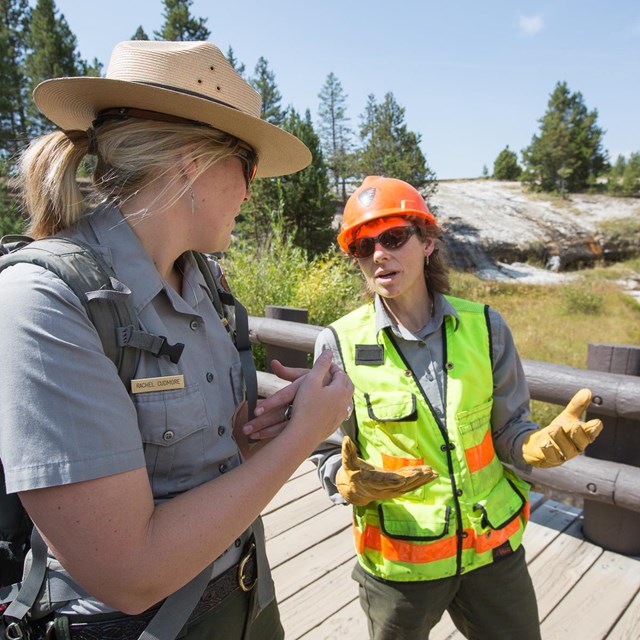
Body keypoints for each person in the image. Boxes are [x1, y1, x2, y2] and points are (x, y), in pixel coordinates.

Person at [0, 40, 354, 640]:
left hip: (246, 599)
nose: (250, 192)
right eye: (246, 167)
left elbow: (206, 465)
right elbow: (128, 573)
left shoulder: (205, 284)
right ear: (192, 161)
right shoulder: (45, 303)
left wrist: (256, 435)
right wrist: (302, 437)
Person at [311, 176, 603, 640]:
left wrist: (535, 445)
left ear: (427, 242)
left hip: (493, 552)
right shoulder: (338, 344)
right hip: (401, 564)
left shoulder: (486, 327)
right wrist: (345, 481)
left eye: (392, 237)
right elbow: (324, 448)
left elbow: (510, 429)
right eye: (364, 246)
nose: (379, 254)